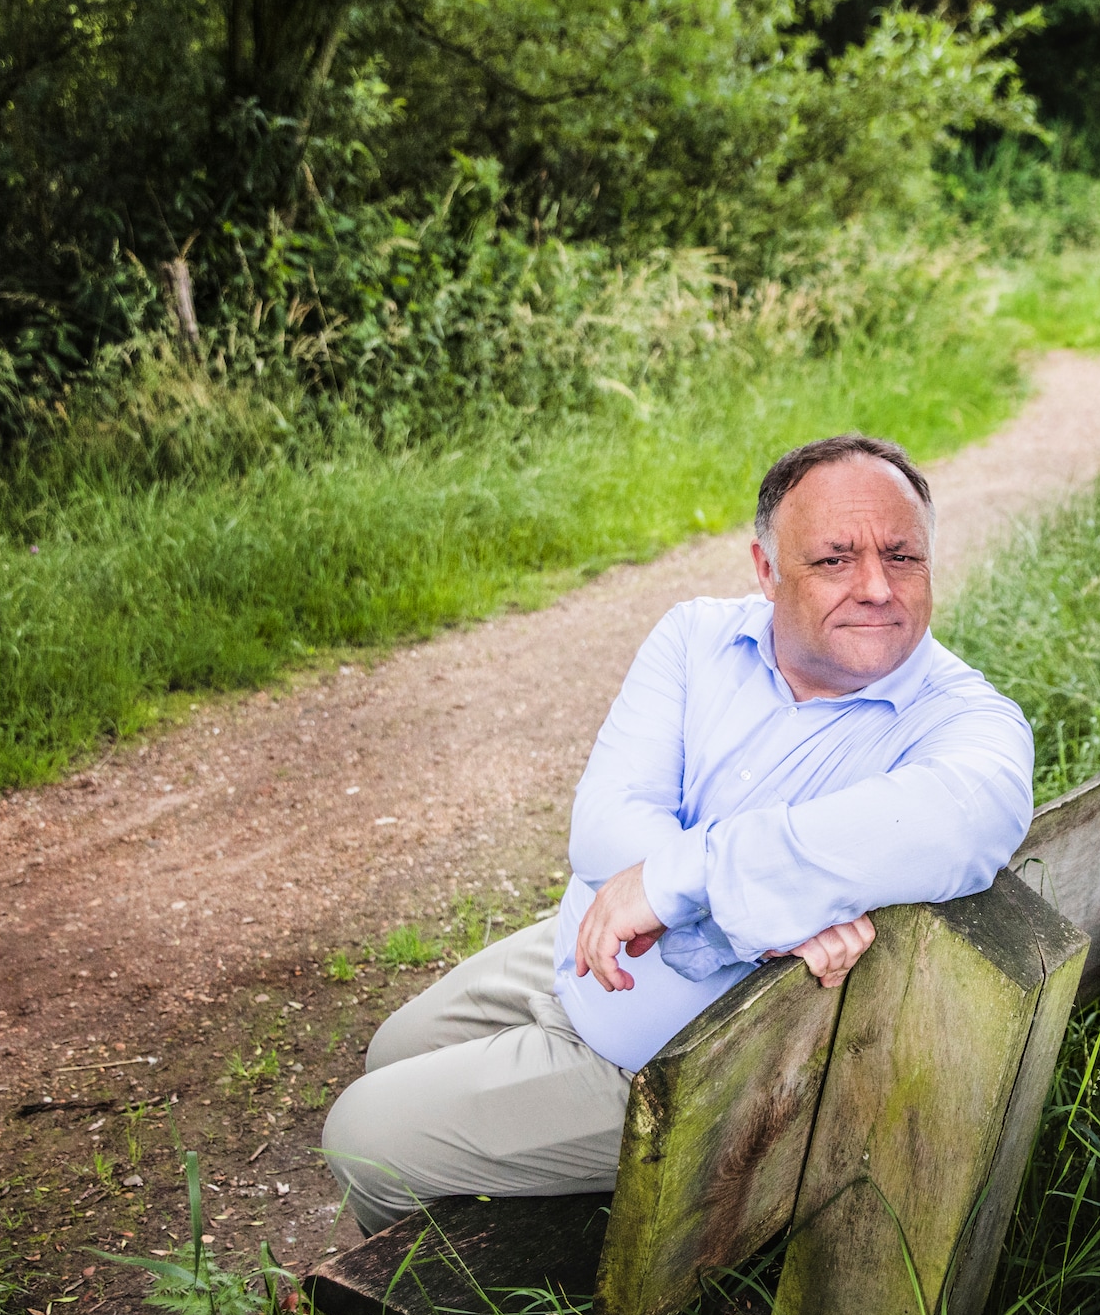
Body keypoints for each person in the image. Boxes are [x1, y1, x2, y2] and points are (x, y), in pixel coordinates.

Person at [321, 434, 1035, 1234]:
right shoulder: (697, 637)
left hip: (669, 1066)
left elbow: (960, 820)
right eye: (834, 559)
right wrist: (766, 904)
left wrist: (681, 883)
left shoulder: (969, 729)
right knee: (391, 1048)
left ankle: (423, 1298)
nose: (875, 586)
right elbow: (603, 822)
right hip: (572, 954)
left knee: (361, 1137)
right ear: (766, 571)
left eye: (902, 556)